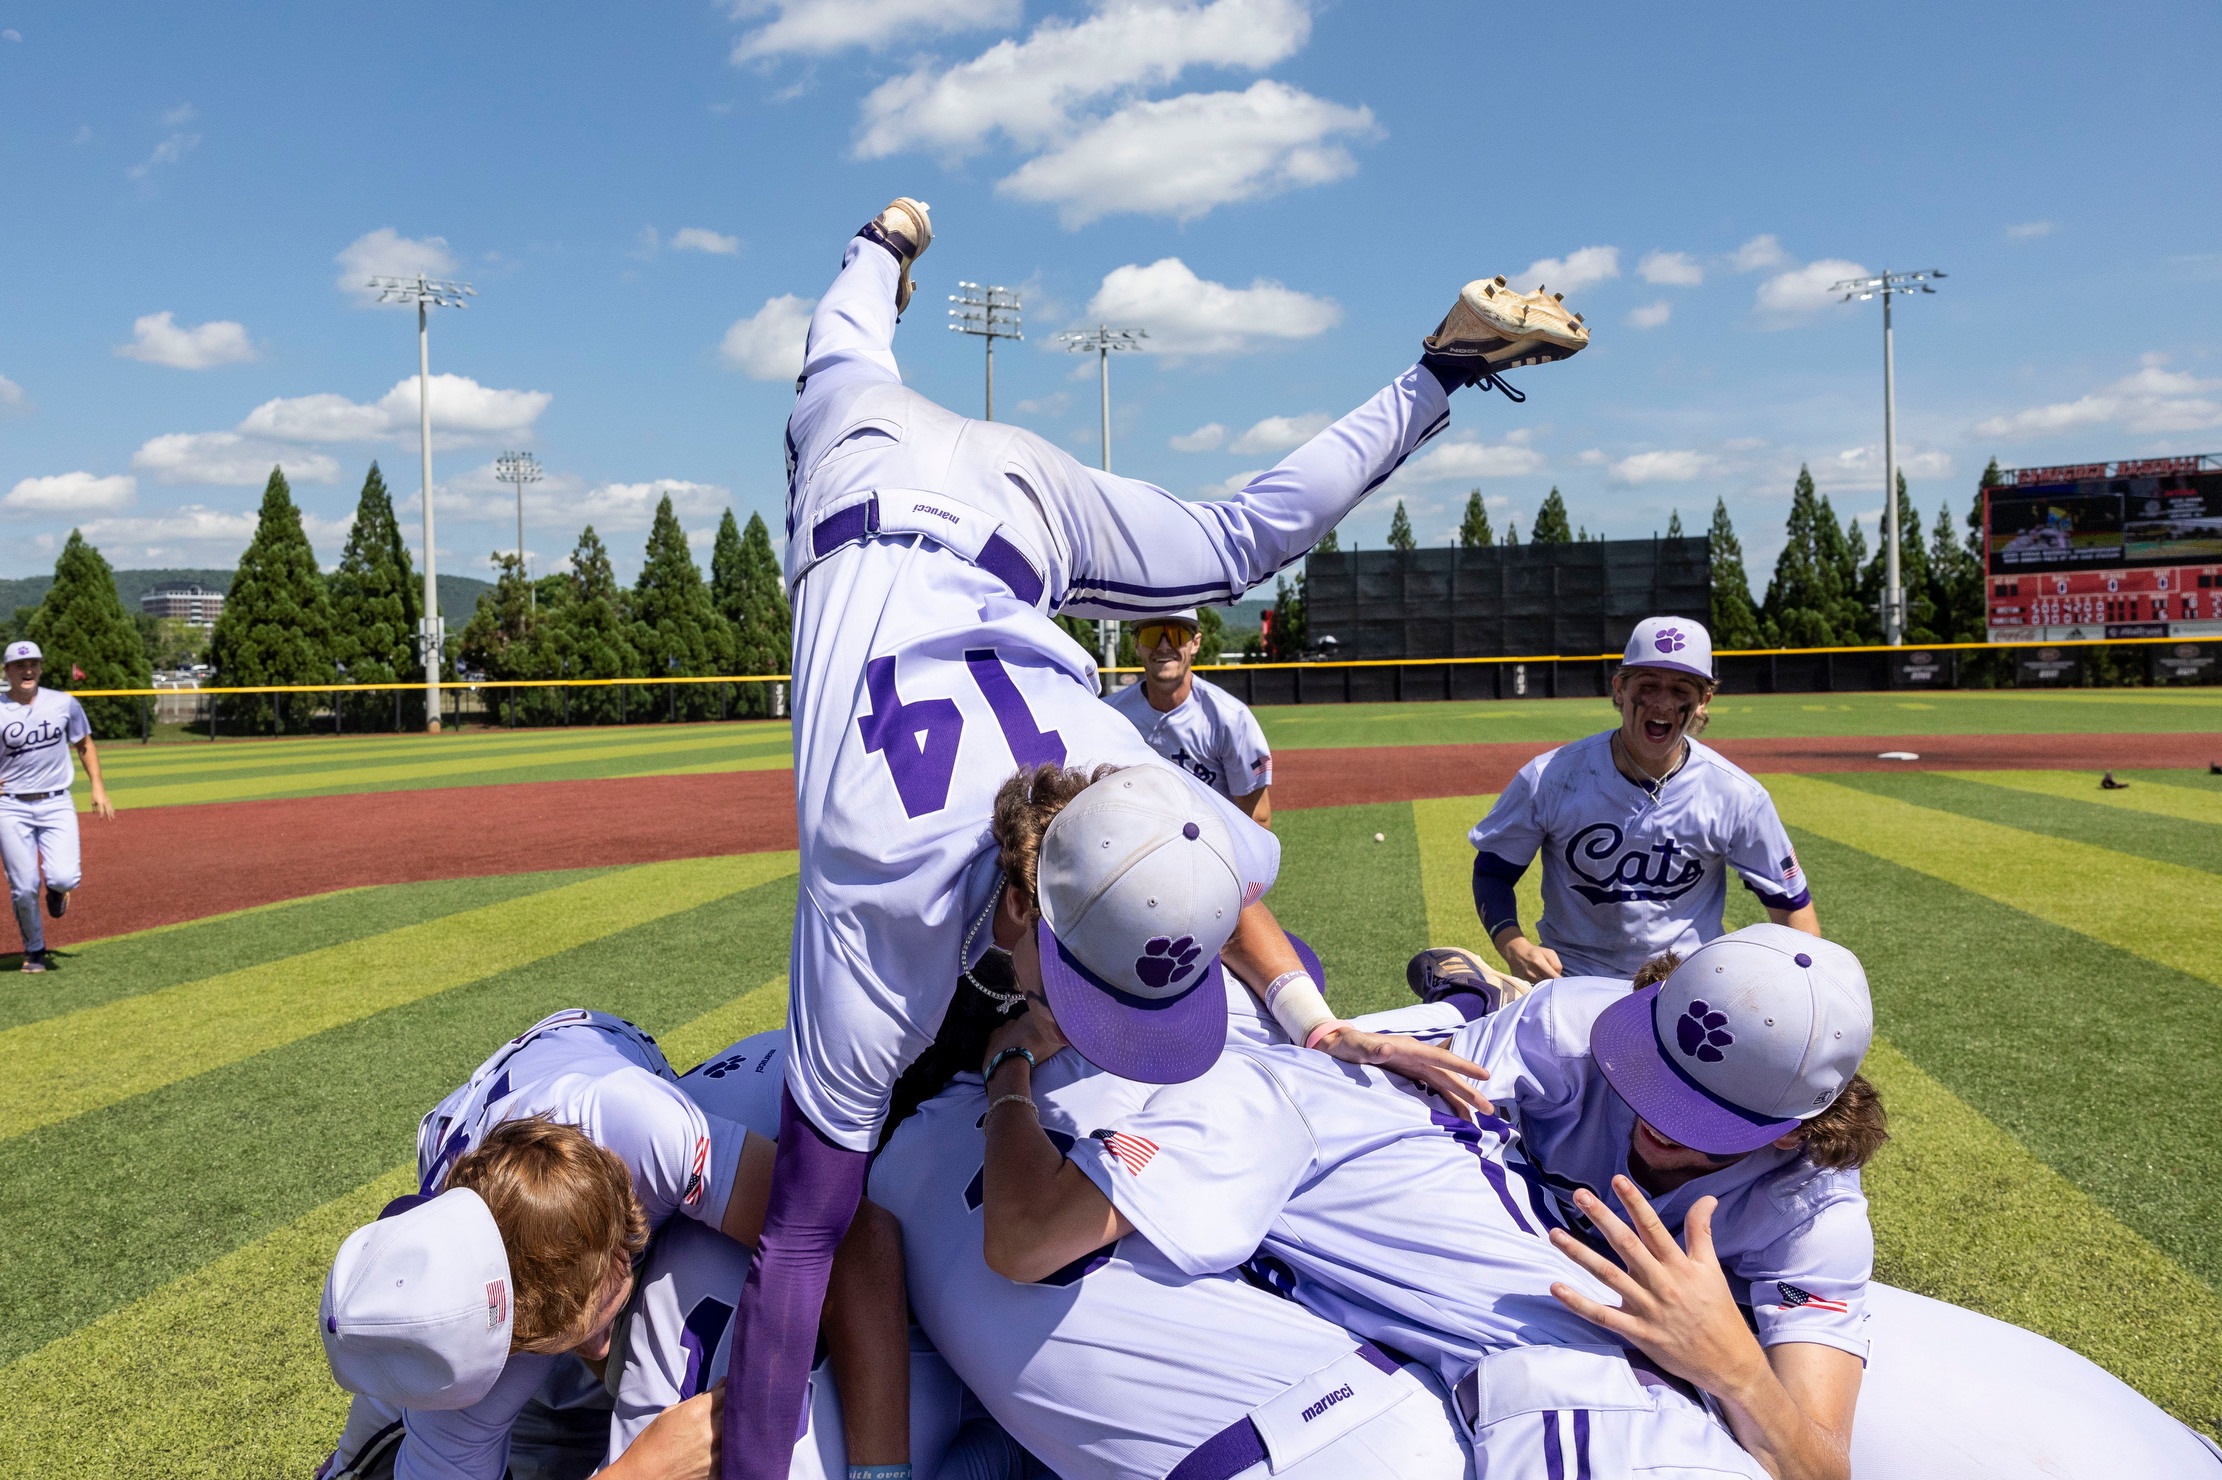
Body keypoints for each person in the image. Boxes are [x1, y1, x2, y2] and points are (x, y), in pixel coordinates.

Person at [729, 196, 1588, 1478]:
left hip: (1020, 514)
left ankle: (883, 243)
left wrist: (1313, 1019)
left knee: (868, 323)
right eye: (1083, 992)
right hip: (859, 463)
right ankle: (879, 257)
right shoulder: (876, 887)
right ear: (1016, 910)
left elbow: (1216, 892)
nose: (1093, 1027)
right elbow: (802, 1235)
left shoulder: (1140, 773)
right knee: (847, 347)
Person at [969, 952, 1819, 1479]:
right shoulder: (1565, 1028)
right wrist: (1337, 1032)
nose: (1662, 1123)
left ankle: (1460, 1005)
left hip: (1596, 1392)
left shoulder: (1248, 1094)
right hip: (1585, 1376)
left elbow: (1026, 1239)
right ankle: (1462, 1004)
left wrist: (1008, 1067)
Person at [317, 1008, 901, 1480]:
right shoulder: (463, 1406)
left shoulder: (639, 1126)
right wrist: (639, 1470)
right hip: (469, 1137)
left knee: (592, 1397)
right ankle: (362, 1442)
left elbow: (855, 1237)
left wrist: (882, 1473)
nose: (598, 1348)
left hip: (579, 1046)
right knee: (541, 1418)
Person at [1382, 930, 1881, 1471]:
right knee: (1397, 1044)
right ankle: (1479, 1000)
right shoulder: (1568, 1026)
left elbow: (1820, 1466)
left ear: (1790, 1133)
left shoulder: (1814, 1216)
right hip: (1535, 1074)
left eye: (1702, 1114)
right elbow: (1385, 1122)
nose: (1656, 1116)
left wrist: (1736, 1368)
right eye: (1649, 1070)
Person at [1470, 616, 1816, 982]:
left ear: (1703, 701)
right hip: (1571, 980)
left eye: (1682, 690)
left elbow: (1793, 908)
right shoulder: (1549, 777)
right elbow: (1493, 871)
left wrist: (1799, 993)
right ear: (1619, 688)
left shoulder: (1737, 796)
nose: (1663, 703)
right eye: (1648, 685)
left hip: (1686, 986)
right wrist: (1514, 945)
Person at [0, 638, 114, 972]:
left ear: (41, 667)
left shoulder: (64, 703)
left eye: (33, 663)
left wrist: (98, 787)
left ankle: (57, 891)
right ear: (6, 670)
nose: (27, 670)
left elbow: (84, 743)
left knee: (64, 877)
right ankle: (35, 950)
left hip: (56, 802)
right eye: (19, 665)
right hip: (10, 806)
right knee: (23, 887)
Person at [1106, 609, 1274, 826]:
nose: (1163, 646)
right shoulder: (1109, 715)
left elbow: (1258, 818)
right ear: (1137, 644)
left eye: (1176, 635)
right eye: (1151, 634)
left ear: (1195, 642)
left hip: (1211, 850)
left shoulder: (1231, 718)